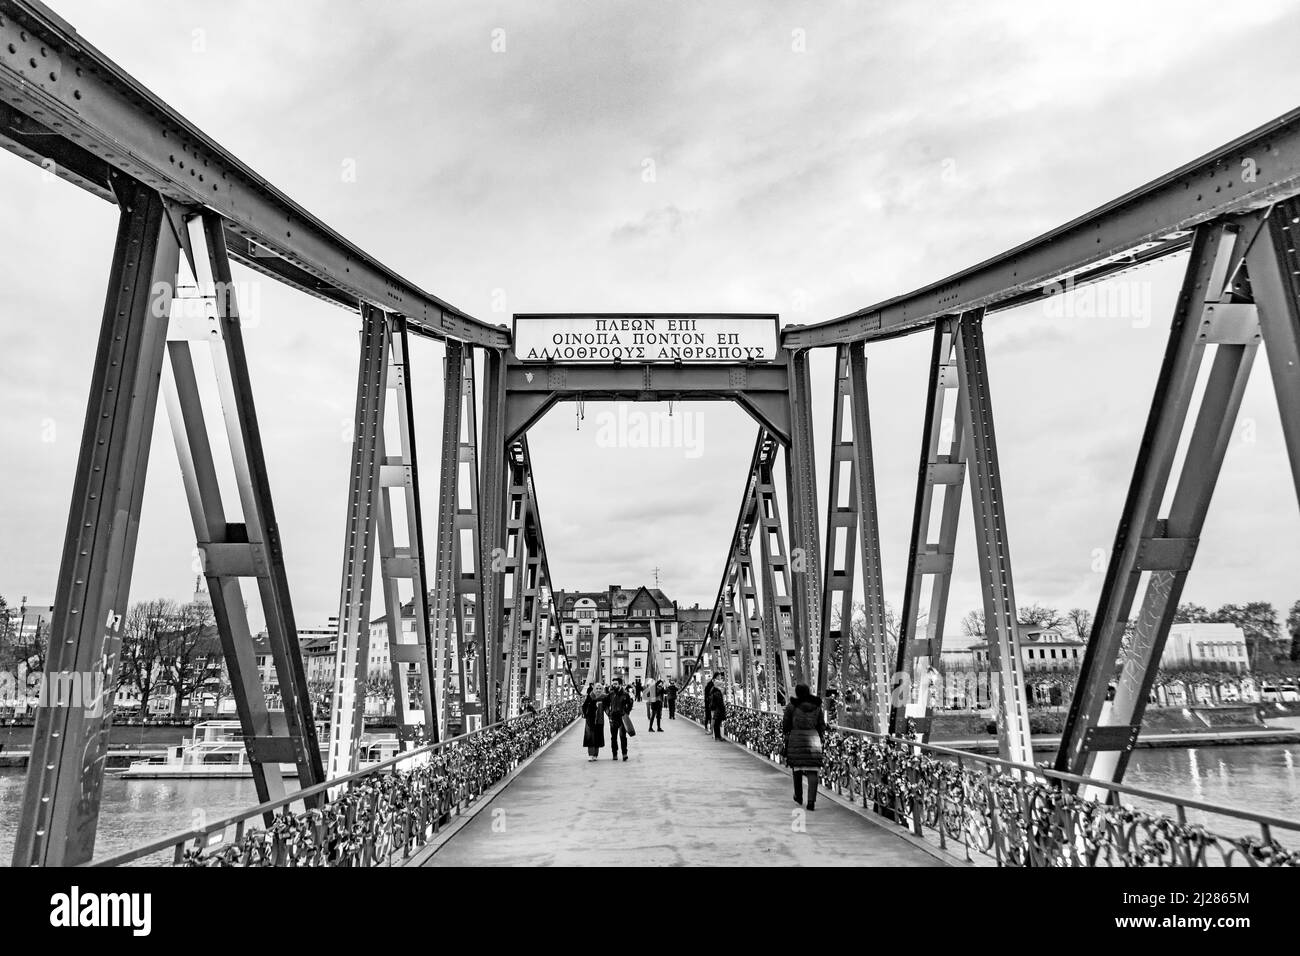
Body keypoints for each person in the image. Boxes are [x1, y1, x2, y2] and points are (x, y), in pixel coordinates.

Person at [783, 683, 827, 810]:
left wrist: (788, 732)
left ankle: (798, 795)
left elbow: (786, 725)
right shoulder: (817, 706)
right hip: (813, 738)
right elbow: (821, 725)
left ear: (797, 692)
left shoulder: (792, 706)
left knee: (797, 767)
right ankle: (811, 801)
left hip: (796, 738)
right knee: (813, 769)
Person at [603, 677, 634, 761]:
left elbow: (630, 704)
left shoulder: (625, 694)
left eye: (615, 684)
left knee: (623, 736)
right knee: (613, 737)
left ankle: (624, 753)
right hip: (613, 718)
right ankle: (614, 754)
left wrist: (626, 712)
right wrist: (608, 713)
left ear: (620, 684)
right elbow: (605, 705)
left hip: (622, 718)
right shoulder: (611, 694)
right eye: (613, 684)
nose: (613, 685)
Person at [582, 683, 607, 761]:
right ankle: (591, 755)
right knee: (590, 737)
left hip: (599, 720)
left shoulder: (604, 698)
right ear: (594, 689)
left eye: (600, 688)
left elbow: (607, 708)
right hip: (591, 720)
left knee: (597, 737)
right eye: (597, 688)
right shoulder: (590, 697)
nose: (598, 690)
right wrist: (586, 715)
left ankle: (595, 754)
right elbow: (584, 706)